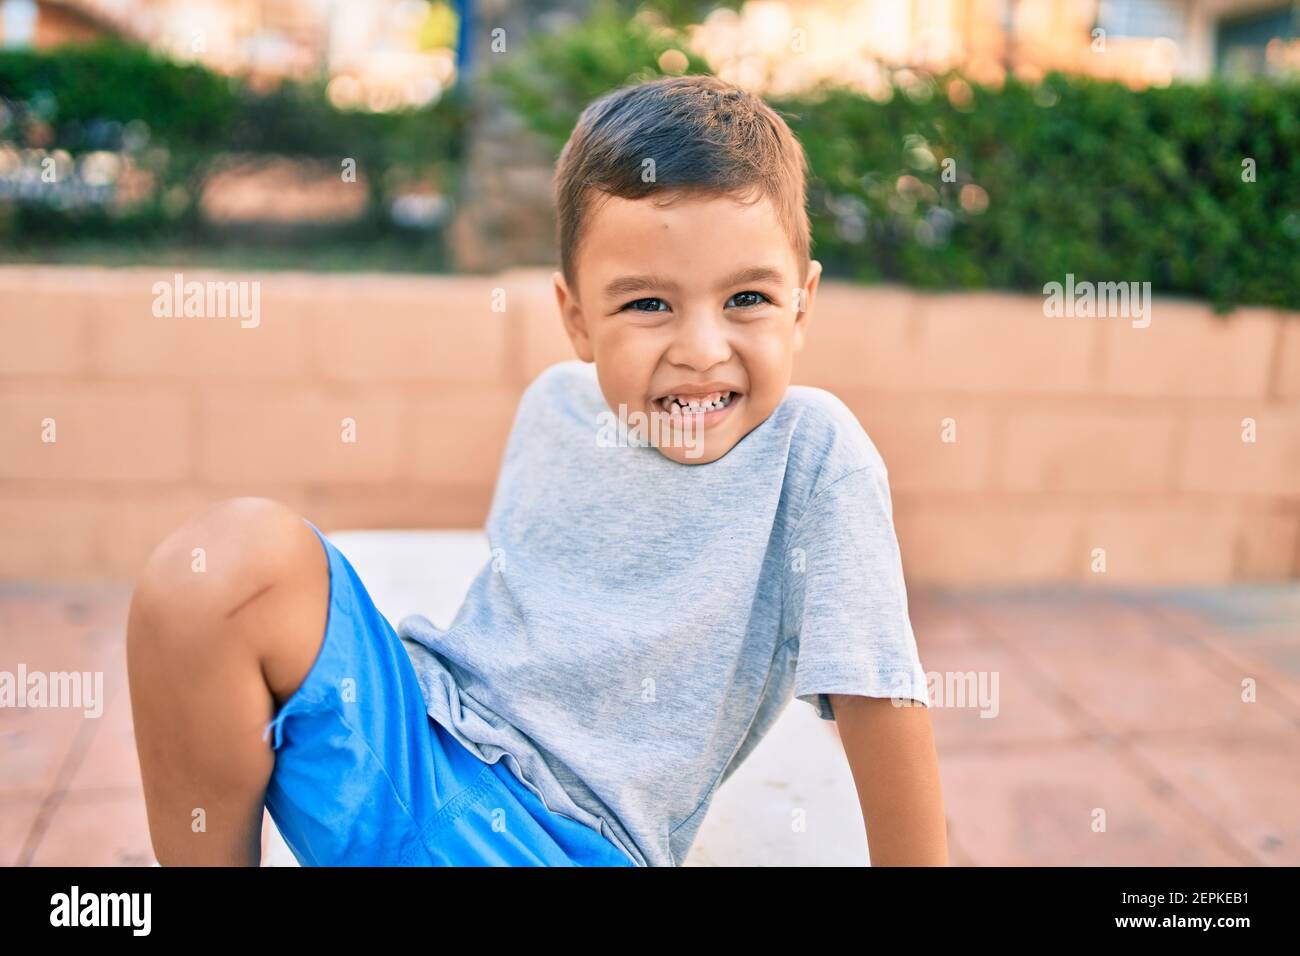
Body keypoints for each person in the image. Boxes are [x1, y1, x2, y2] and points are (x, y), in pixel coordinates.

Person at [127, 74, 948, 867]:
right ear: (576, 317)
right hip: (414, 746)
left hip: (562, 844)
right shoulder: (556, 406)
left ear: (802, 301)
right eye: (647, 303)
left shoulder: (813, 456)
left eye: (747, 300)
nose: (701, 349)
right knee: (226, 566)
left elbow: (880, 700)